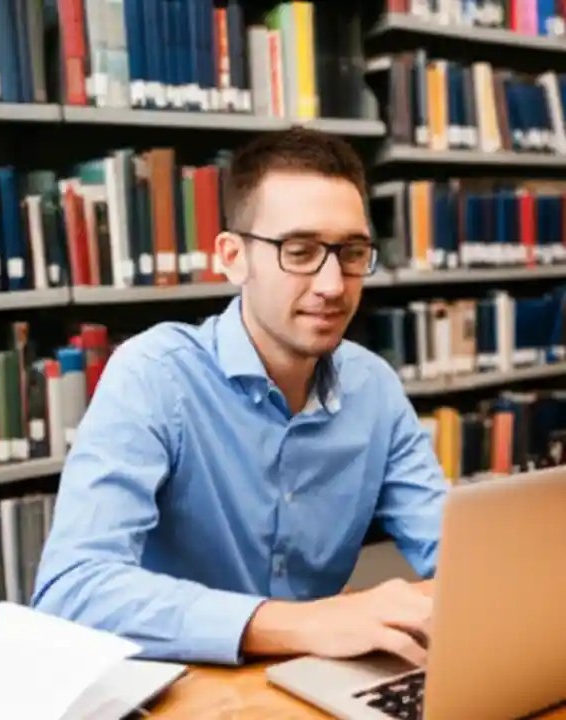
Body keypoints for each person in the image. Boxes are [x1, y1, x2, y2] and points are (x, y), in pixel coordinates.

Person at [31, 128, 446, 669]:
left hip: (310, 679)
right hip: (176, 690)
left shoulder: (375, 389)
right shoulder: (154, 375)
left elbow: (456, 553)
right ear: (232, 257)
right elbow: (71, 590)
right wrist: (303, 622)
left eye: (352, 252)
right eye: (299, 252)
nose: (332, 284)